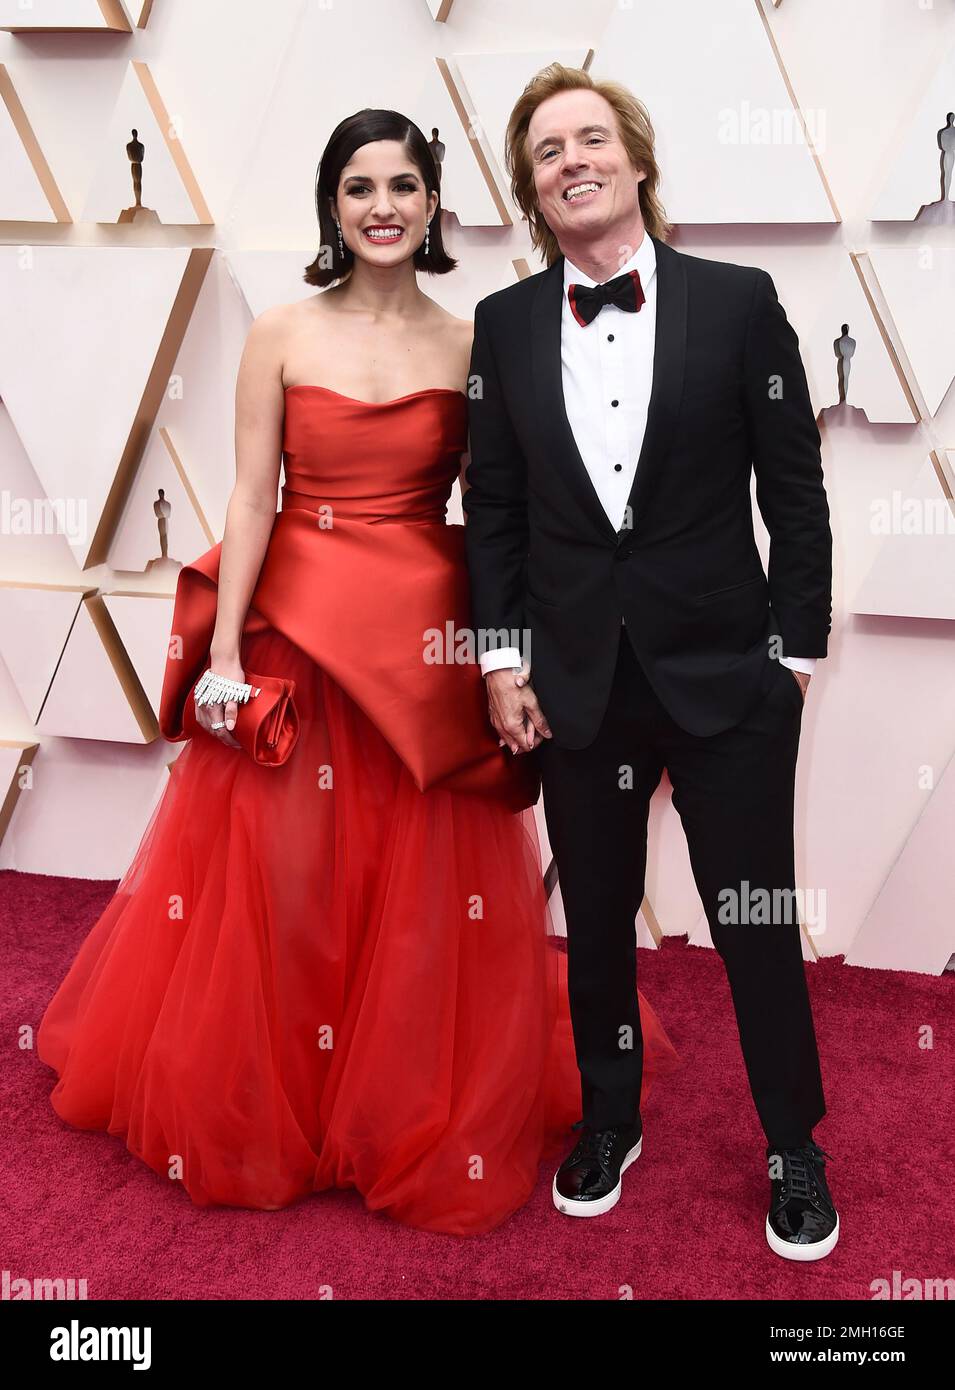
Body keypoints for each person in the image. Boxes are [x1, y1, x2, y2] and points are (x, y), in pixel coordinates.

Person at [37, 108, 681, 1238]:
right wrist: (227, 651)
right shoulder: (280, 331)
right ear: (332, 209)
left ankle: (391, 1106)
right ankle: (278, 1101)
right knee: (282, 887)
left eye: (401, 185)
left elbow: (494, 510)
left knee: (426, 898)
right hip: (299, 632)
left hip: (425, 641)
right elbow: (249, 499)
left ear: (432, 203)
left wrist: (506, 650)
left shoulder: (474, 339)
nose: (381, 205)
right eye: (356, 188)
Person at [463, 64, 839, 1258]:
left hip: (729, 675)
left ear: (634, 158)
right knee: (599, 923)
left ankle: (793, 1143)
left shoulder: (740, 302)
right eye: (544, 149)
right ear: (529, 187)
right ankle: (609, 1118)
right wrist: (499, 660)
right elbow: (497, 513)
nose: (569, 159)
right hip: (577, 678)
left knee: (754, 916)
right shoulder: (504, 323)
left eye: (589, 138)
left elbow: (796, 491)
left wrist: (796, 657)